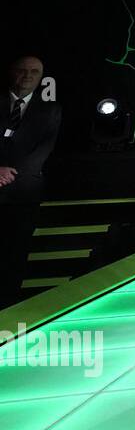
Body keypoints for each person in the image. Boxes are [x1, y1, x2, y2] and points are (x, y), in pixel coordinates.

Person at [0, 55, 62, 305]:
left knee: (15, 255)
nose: (27, 76)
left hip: (23, 194)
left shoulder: (51, 110)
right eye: (21, 70)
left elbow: (43, 151)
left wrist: (8, 173)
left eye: (34, 72)